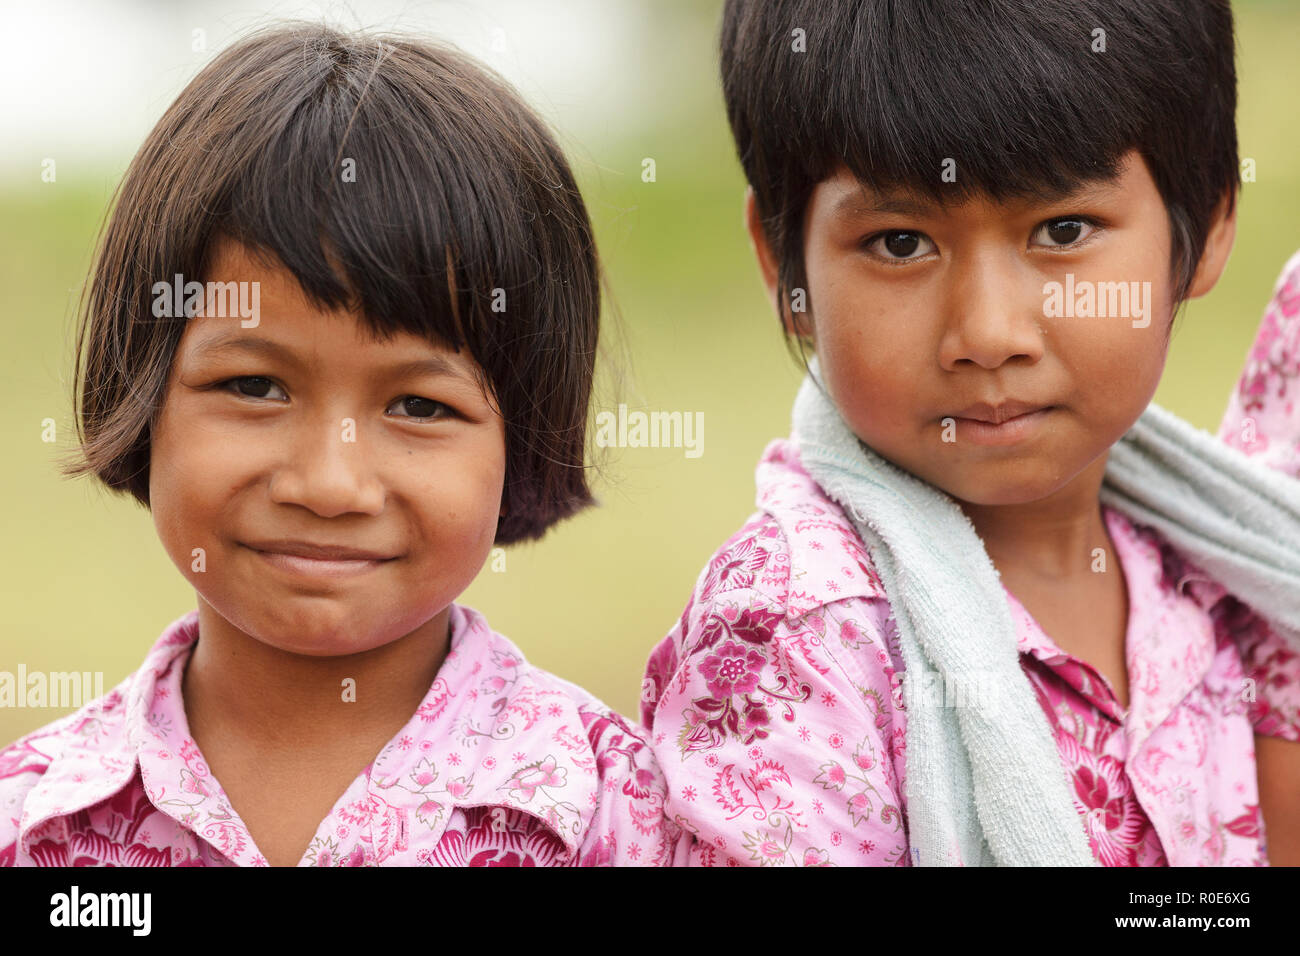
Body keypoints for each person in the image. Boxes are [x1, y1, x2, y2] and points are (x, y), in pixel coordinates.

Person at [0, 22, 686, 867]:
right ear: (141, 392)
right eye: (254, 387)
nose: (329, 484)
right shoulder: (35, 822)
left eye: (418, 406)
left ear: (524, 431)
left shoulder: (617, 820)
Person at [640, 0, 1300, 865]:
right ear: (784, 263)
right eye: (901, 242)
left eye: (1063, 231)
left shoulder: (1235, 570)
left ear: (1206, 226)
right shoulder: (795, 637)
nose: (988, 333)